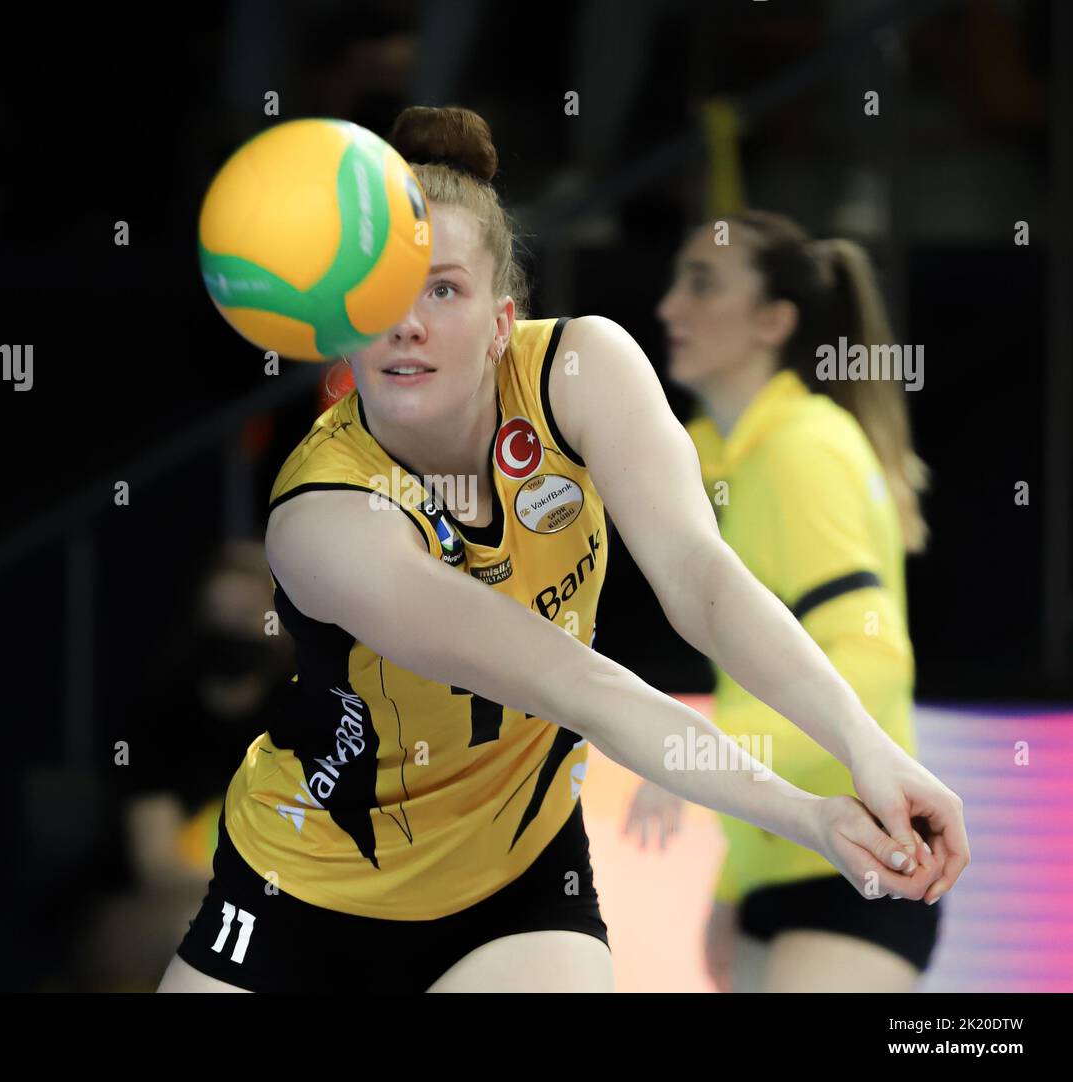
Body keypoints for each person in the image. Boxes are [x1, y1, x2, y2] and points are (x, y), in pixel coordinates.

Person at [158, 106, 968, 994]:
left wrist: (867, 750)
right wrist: (809, 815)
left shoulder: (579, 371)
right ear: (342, 315)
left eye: (445, 289)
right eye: (385, 290)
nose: (408, 322)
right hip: (308, 887)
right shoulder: (321, 518)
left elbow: (702, 582)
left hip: (517, 879)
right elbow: (576, 684)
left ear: (503, 319)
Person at [626, 209, 942, 992]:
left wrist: (690, 753)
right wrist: (738, 881)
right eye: (674, 282)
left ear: (773, 321)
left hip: (852, 875)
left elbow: (870, 667)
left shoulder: (803, 448)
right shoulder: (735, 458)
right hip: (780, 873)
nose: (669, 308)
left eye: (702, 284)